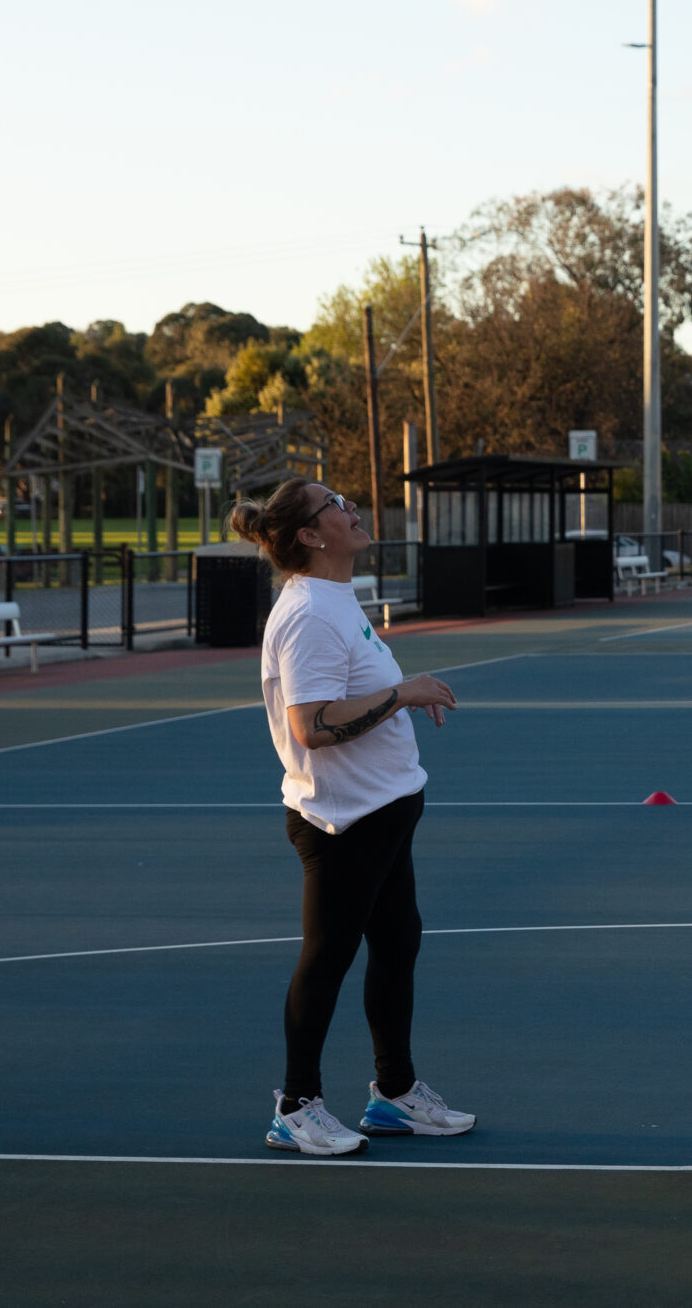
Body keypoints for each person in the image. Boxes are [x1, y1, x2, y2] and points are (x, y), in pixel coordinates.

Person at [232, 479, 474, 1157]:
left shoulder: (336, 598)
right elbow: (310, 726)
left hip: (384, 810)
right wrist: (405, 691)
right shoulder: (308, 612)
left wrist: (397, 695)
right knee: (328, 957)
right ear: (311, 535)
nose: (350, 507)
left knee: (398, 945)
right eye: (333, 503)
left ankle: (394, 1095)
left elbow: (345, 695)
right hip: (344, 821)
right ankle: (295, 1104)